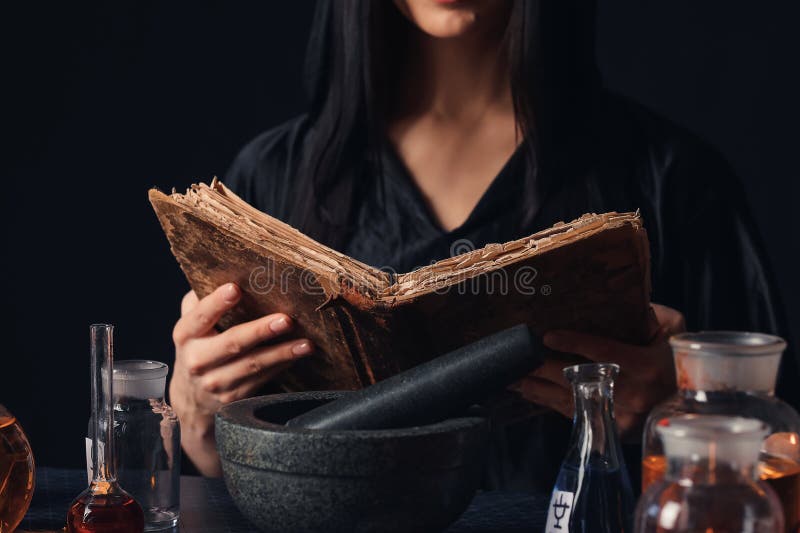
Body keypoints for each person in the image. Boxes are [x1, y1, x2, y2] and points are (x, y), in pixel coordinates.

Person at [168, 0, 794, 488]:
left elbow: (777, 450)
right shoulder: (271, 180)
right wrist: (198, 416)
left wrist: (672, 415)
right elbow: (230, 476)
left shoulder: (670, 178)